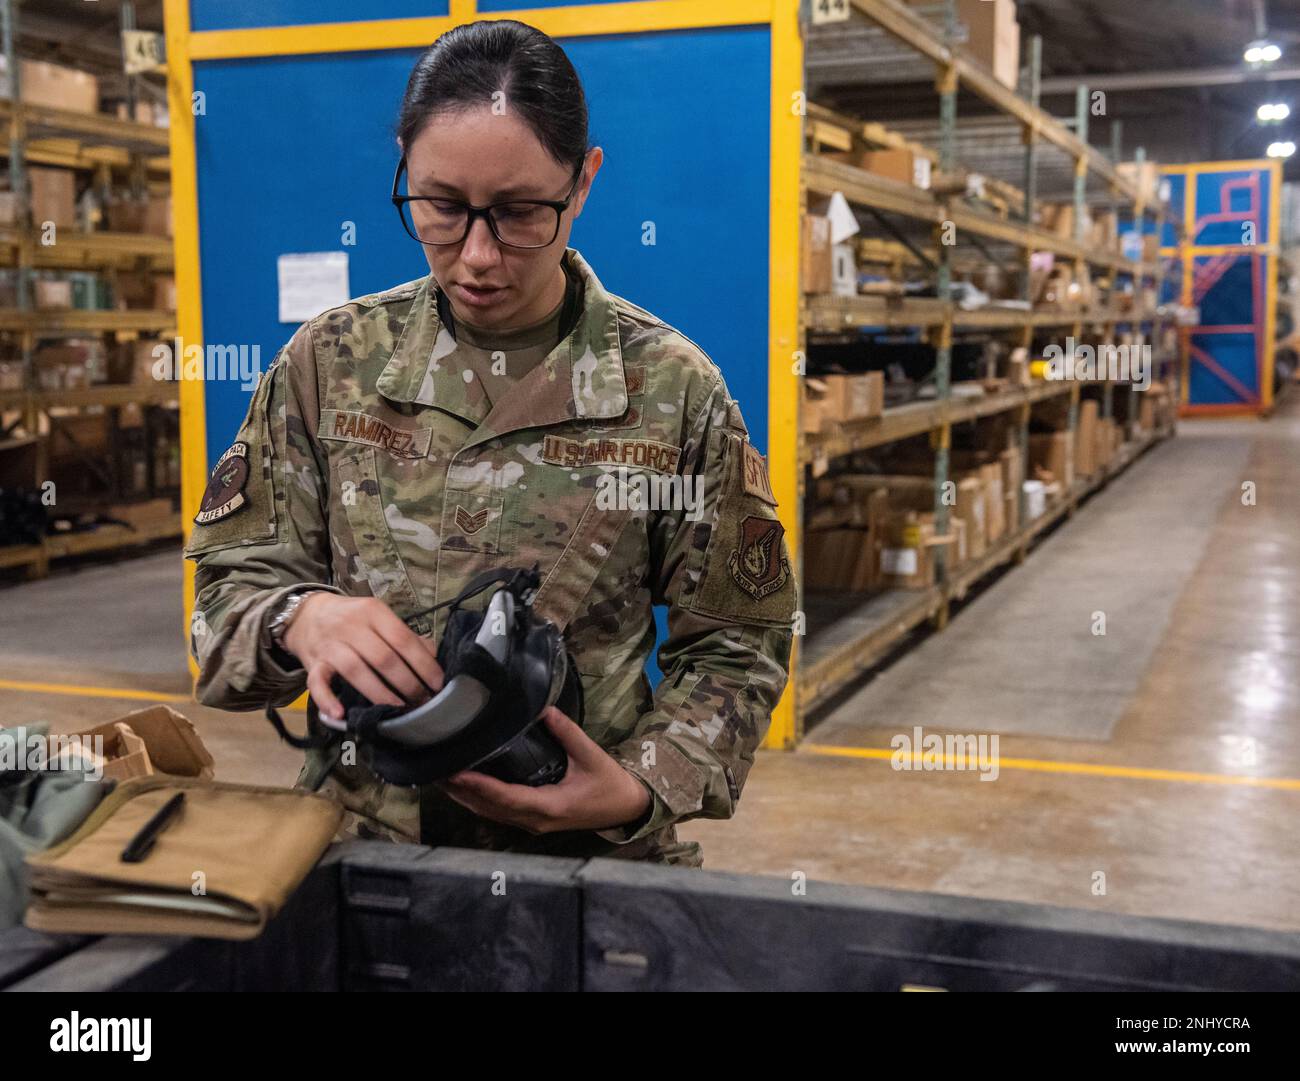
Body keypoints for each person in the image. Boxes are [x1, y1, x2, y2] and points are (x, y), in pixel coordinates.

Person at [185, 19, 796, 868]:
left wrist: (639, 784)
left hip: (589, 867)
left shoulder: (671, 391)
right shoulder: (329, 365)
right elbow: (220, 613)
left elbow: (740, 639)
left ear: (583, 184)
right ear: (404, 164)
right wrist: (302, 617)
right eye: (441, 207)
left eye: (517, 214)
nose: (476, 255)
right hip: (365, 857)